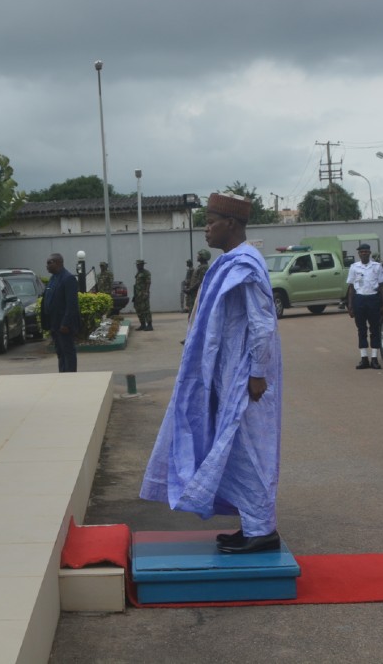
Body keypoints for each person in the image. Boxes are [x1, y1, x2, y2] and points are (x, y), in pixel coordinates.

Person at [142, 192, 282, 554]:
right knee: (233, 448)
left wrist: (257, 372)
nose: (205, 228)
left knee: (252, 449)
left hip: (247, 377)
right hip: (228, 374)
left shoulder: (246, 264)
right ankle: (252, 524)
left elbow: (262, 323)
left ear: (231, 224)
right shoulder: (230, 262)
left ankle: (263, 530)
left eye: (211, 221)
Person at [345, 242, 383, 369]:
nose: (364, 254)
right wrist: (350, 306)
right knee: (361, 329)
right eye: (361, 252)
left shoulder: (377, 267)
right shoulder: (354, 267)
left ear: (369, 253)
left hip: (373, 299)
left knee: (375, 329)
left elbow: (382, 287)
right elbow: (351, 288)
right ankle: (364, 358)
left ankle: (374, 359)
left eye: (366, 252)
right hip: (360, 300)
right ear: (359, 254)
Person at [43, 252, 81, 372]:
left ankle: (70, 376)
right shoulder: (53, 278)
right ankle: (63, 375)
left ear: (58, 262)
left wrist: (66, 323)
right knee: (60, 352)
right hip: (54, 323)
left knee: (68, 351)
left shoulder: (68, 278)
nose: (47, 266)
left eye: (49, 263)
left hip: (64, 325)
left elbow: (72, 304)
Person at [186, 248, 211, 313]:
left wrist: (190, 290)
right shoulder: (200, 266)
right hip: (194, 294)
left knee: (195, 312)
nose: (197, 256)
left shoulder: (204, 267)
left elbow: (200, 281)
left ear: (203, 256)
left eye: (199, 255)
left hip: (197, 294)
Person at [132, 260, 153, 331]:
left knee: (146, 309)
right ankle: (142, 324)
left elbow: (148, 283)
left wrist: (146, 292)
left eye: (139, 265)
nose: (138, 266)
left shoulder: (146, 273)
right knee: (138, 309)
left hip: (143, 294)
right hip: (137, 295)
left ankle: (149, 325)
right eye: (137, 265)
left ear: (142, 265)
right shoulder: (138, 273)